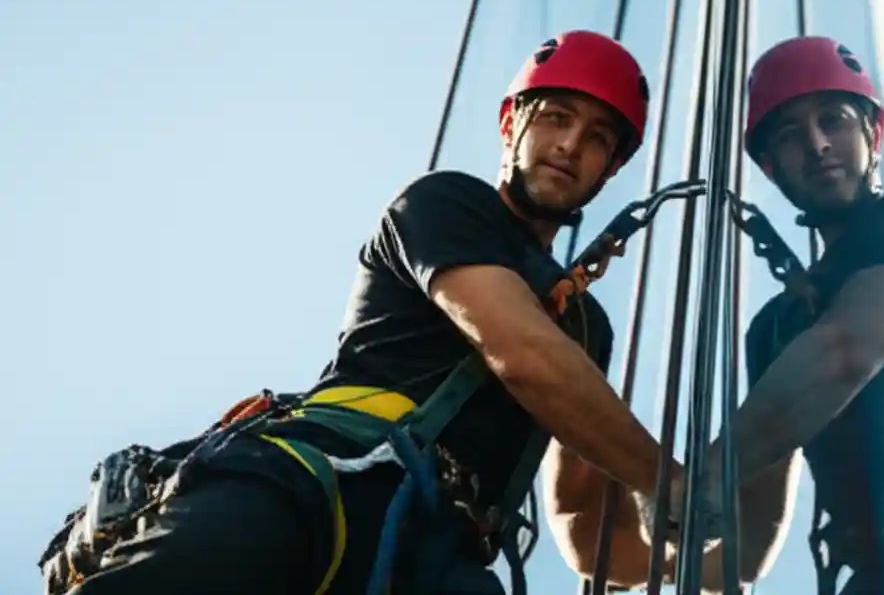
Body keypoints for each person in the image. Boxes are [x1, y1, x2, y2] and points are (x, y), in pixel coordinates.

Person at [40, 30, 690, 595]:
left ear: (612, 168)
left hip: (443, 557)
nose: (570, 144)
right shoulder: (446, 206)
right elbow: (519, 353)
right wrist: (668, 480)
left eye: (598, 137)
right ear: (510, 123)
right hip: (318, 486)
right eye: (555, 116)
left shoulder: (587, 328)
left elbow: (582, 528)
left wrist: (712, 546)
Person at [705, 36, 884, 594]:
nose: (817, 144)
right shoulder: (774, 329)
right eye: (791, 134)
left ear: (873, 133)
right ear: (770, 167)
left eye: (833, 120)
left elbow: (847, 350)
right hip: (873, 576)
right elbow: (750, 536)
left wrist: (699, 481)